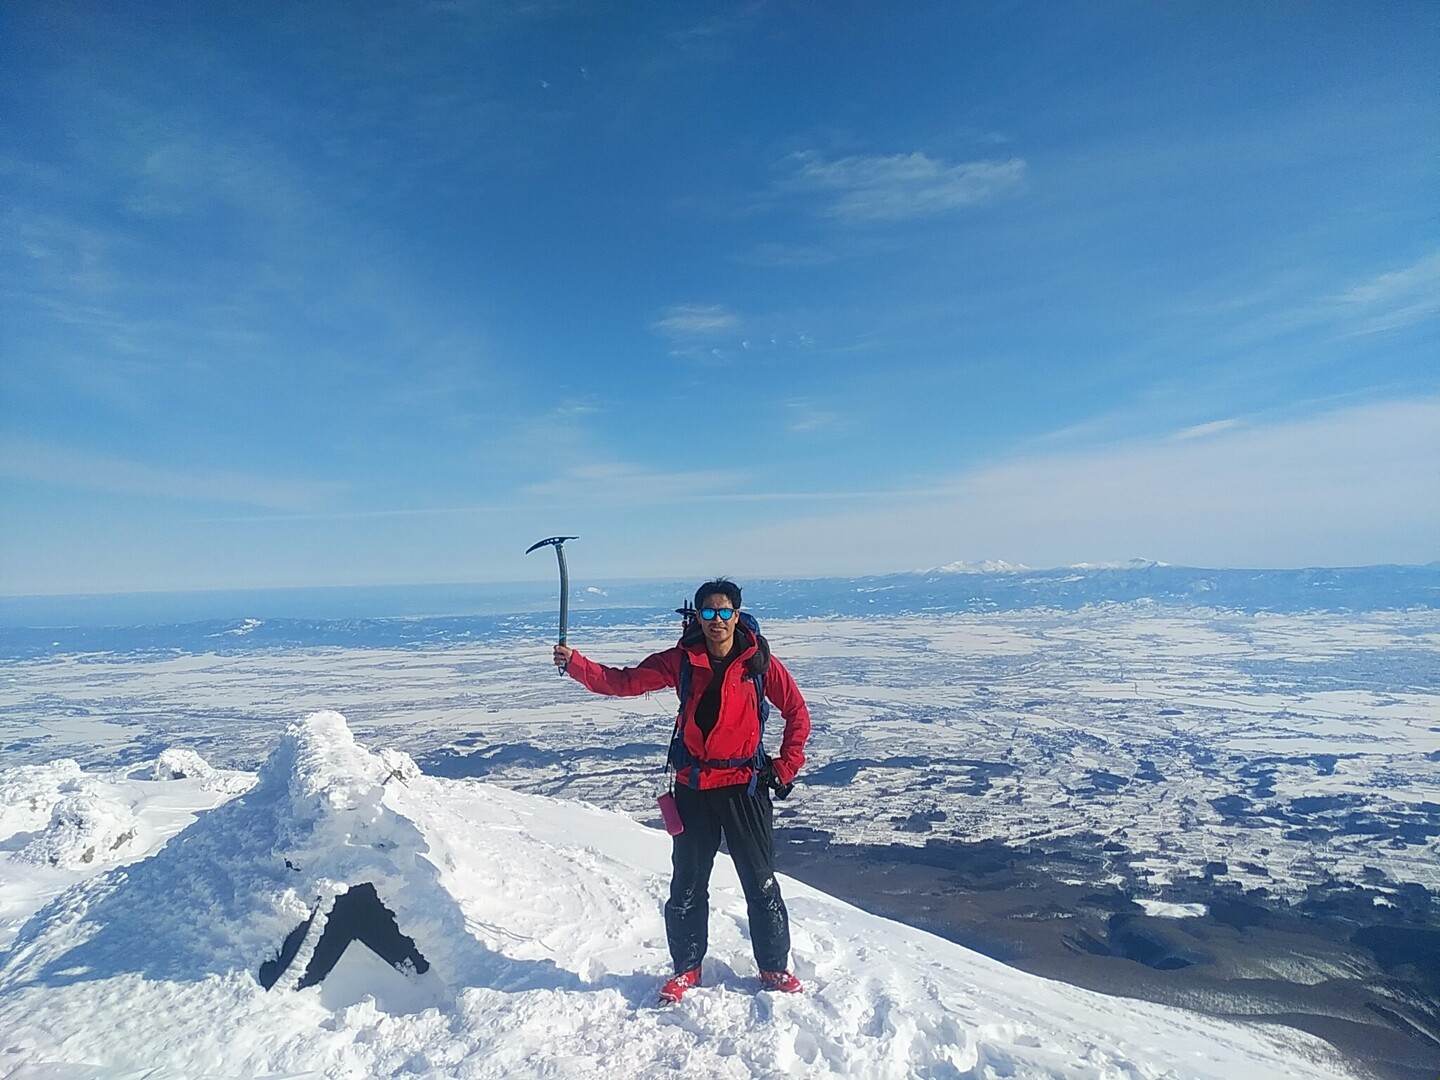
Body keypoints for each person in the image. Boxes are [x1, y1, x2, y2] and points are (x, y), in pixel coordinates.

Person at [552, 578, 811, 1003]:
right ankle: (687, 969)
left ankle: (774, 969)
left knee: (760, 882)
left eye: (724, 612)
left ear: (737, 614)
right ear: (698, 616)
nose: (717, 621)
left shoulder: (758, 662)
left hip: (743, 787)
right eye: (708, 612)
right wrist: (576, 664)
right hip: (693, 787)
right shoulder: (682, 660)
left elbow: (797, 713)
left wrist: (785, 767)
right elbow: (626, 682)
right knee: (687, 885)